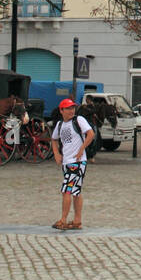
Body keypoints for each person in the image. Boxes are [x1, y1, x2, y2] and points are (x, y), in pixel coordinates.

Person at [50, 98, 93, 229]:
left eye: (72, 108)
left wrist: (82, 149)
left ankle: (63, 220)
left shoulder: (79, 120)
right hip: (67, 162)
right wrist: (56, 153)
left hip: (77, 162)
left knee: (66, 190)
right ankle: (77, 221)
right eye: (68, 108)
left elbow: (91, 134)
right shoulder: (59, 125)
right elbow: (53, 139)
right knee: (76, 192)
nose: (71, 110)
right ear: (61, 110)